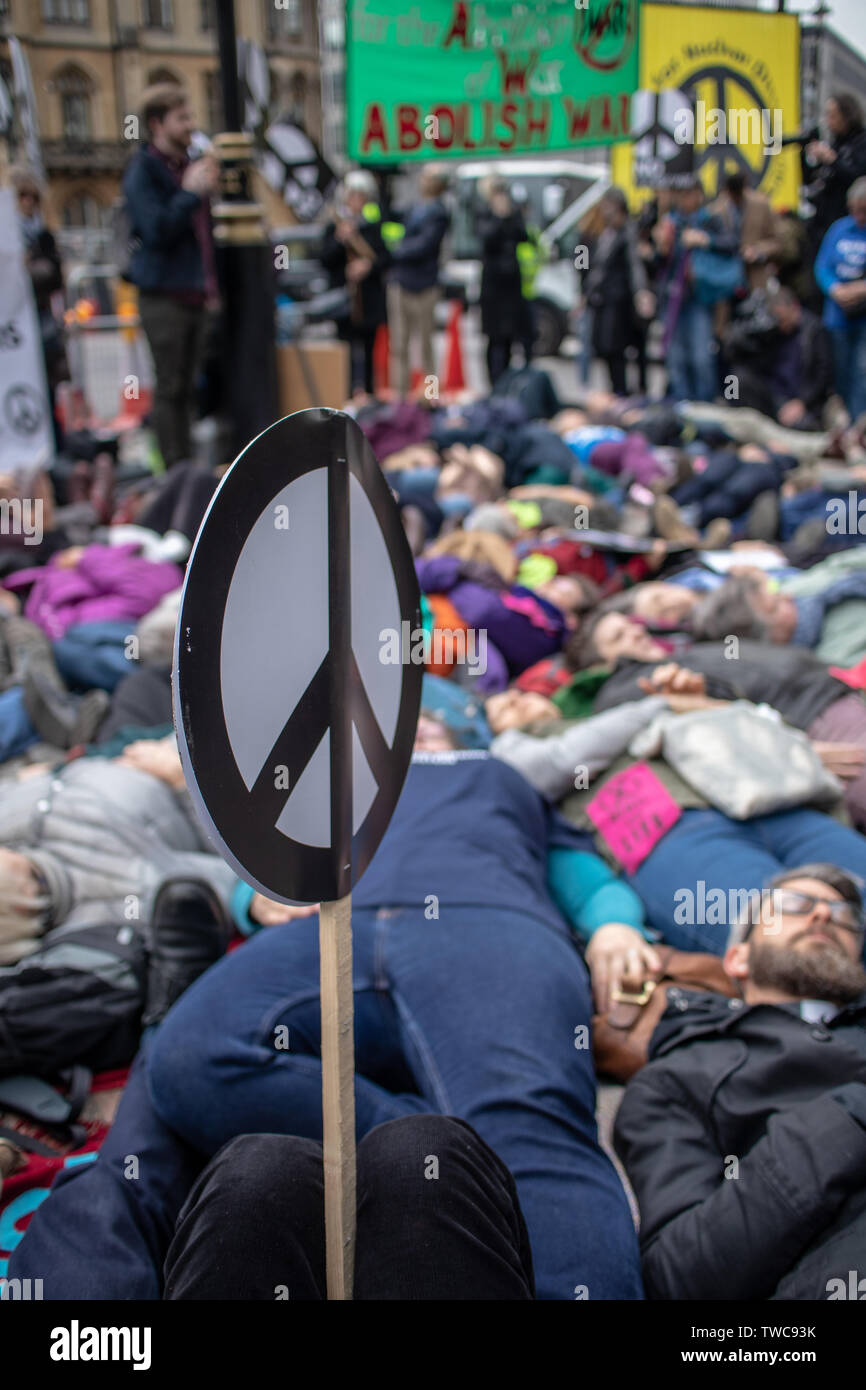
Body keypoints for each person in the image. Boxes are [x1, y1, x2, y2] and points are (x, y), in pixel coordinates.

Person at [137, 719, 644, 1301]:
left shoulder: (498, 773)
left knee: (531, 1119)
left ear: (463, 734)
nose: (419, 723)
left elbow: (578, 873)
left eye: (432, 720)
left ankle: (474, 1152)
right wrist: (249, 899)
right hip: (328, 923)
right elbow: (259, 861)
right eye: (406, 716)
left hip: (487, 919)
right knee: (187, 1057)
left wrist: (614, 925)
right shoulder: (332, 782)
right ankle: (443, 1153)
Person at [614, 863, 866, 1301]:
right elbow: (681, 1276)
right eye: (794, 905)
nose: (824, 915)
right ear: (738, 958)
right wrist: (848, 1116)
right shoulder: (677, 1079)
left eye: (843, 914)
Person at [123, 84, 220, 469]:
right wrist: (190, 194)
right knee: (171, 385)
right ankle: (174, 469)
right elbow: (155, 229)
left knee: (190, 387)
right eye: (182, 118)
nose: (190, 126)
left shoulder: (188, 167)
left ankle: (188, 465)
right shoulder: (144, 170)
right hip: (164, 295)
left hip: (196, 294)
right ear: (157, 124)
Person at [657, 178, 741, 403]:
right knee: (675, 356)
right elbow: (659, 263)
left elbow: (732, 245)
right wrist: (660, 246)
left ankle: (704, 402)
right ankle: (681, 403)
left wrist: (704, 240)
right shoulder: (670, 221)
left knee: (700, 355)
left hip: (699, 298)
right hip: (674, 298)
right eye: (681, 194)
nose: (684, 199)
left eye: (688, 193)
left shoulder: (709, 219)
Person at [10, 165, 68, 451]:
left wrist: (30, 270)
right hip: (13, 329)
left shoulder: (42, 236)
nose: (28, 204)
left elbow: (55, 275)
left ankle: (56, 455)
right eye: (22, 197)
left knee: (48, 393)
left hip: (42, 322)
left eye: (33, 197)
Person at [320, 171, 390, 399]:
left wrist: (367, 267)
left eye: (361, 197)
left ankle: (369, 394)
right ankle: (346, 395)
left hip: (368, 300)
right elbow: (325, 260)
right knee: (346, 351)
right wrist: (340, 242)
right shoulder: (335, 227)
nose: (357, 202)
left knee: (369, 351)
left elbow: (385, 258)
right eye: (353, 196)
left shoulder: (371, 227)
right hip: (345, 300)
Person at [723, 285, 834, 429]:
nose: (782, 324)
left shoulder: (814, 331)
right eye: (777, 320)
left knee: (803, 426)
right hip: (773, 396)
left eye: (784, 319)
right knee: (736, 378)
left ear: (794, 307)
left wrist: (802, 402)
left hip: (800, 400)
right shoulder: (772, 330)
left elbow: (823, 375)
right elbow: (739, 357)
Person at [582, 188, 653, 397]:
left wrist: (641, 292)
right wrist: (584, 289)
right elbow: (584, 262)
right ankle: (613, 391)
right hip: (599, 300)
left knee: (616, 350)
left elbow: (635, 266)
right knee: (602, 348)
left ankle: (622, 392)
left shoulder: (627, 233)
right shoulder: (597, 232)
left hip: (617, 302)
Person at [386, 169, 450, 399]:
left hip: (424, 285)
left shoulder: (438, 212)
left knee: (425, 346)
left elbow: (425, 246)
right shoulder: (415, 208)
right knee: (399, 346)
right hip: (402, 283)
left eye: (428, 177)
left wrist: (396, 252)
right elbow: (391, 216)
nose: (422, 181)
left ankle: (430, 397)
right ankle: (400, 398)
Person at [815, 176, 866, 422]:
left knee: (862, 372)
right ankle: (845, 425)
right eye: (855, 210)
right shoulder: (839, 229)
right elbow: (822, 266)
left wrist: (859, 289)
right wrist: (835, 289)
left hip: (863, 318)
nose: (859, 216)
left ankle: (859, 424)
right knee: (841, 372)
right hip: (837, 315)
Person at [476, 177, 527, 385]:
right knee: (493, 337)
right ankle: (493, 382)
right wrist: (498, 217)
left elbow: (523, 236)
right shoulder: (484, 214)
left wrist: (508, 216)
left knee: (510, 338)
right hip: (492, 286)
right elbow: (486, 239)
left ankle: (506, 381)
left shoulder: (513, 214)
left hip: (512, 285)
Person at [803, 93, 866, 253]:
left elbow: (858, 179)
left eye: (832, 115)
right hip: (821, 222)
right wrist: (805, 155)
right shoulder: (834, 144)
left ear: (847, 116)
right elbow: (809, 180)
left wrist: (833, 161)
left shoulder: (860, 144)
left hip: (847, 222)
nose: (828, 121)